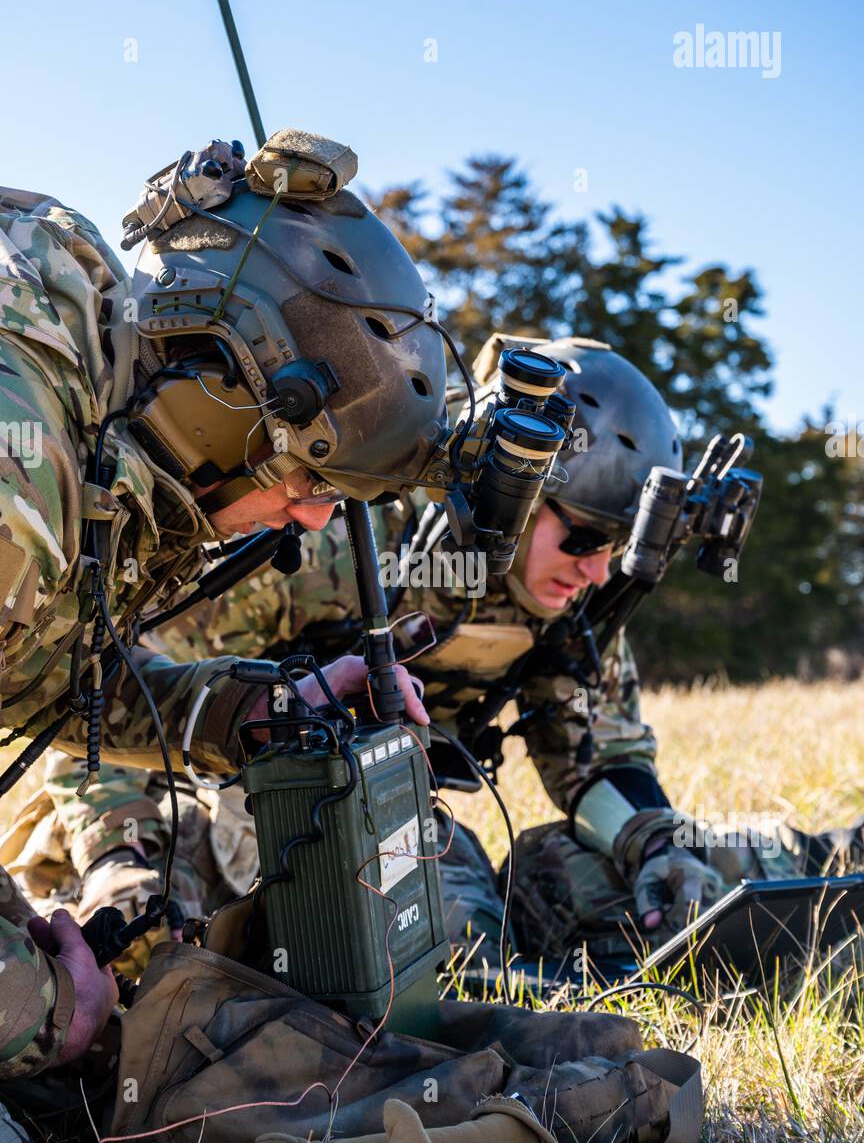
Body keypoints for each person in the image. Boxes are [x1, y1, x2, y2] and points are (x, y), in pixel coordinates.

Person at [0, 129, 452, 1143]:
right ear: (223, 399)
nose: (312, 516)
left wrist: (259, 705)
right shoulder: (20, 471)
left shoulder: (104, 432)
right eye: (310, 478)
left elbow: (43, 676)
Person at [11, 332, 766, 974]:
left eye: (615, 548)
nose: (596, 569)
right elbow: (108, 695)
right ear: (521, 489)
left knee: (605, 879)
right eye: (585, 537)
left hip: (393, 818)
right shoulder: (334, 547)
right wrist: (124, 862)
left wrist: (657, 847)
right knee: (427, 898)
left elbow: (597, 761)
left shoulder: (574, 605)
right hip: (211, 811)